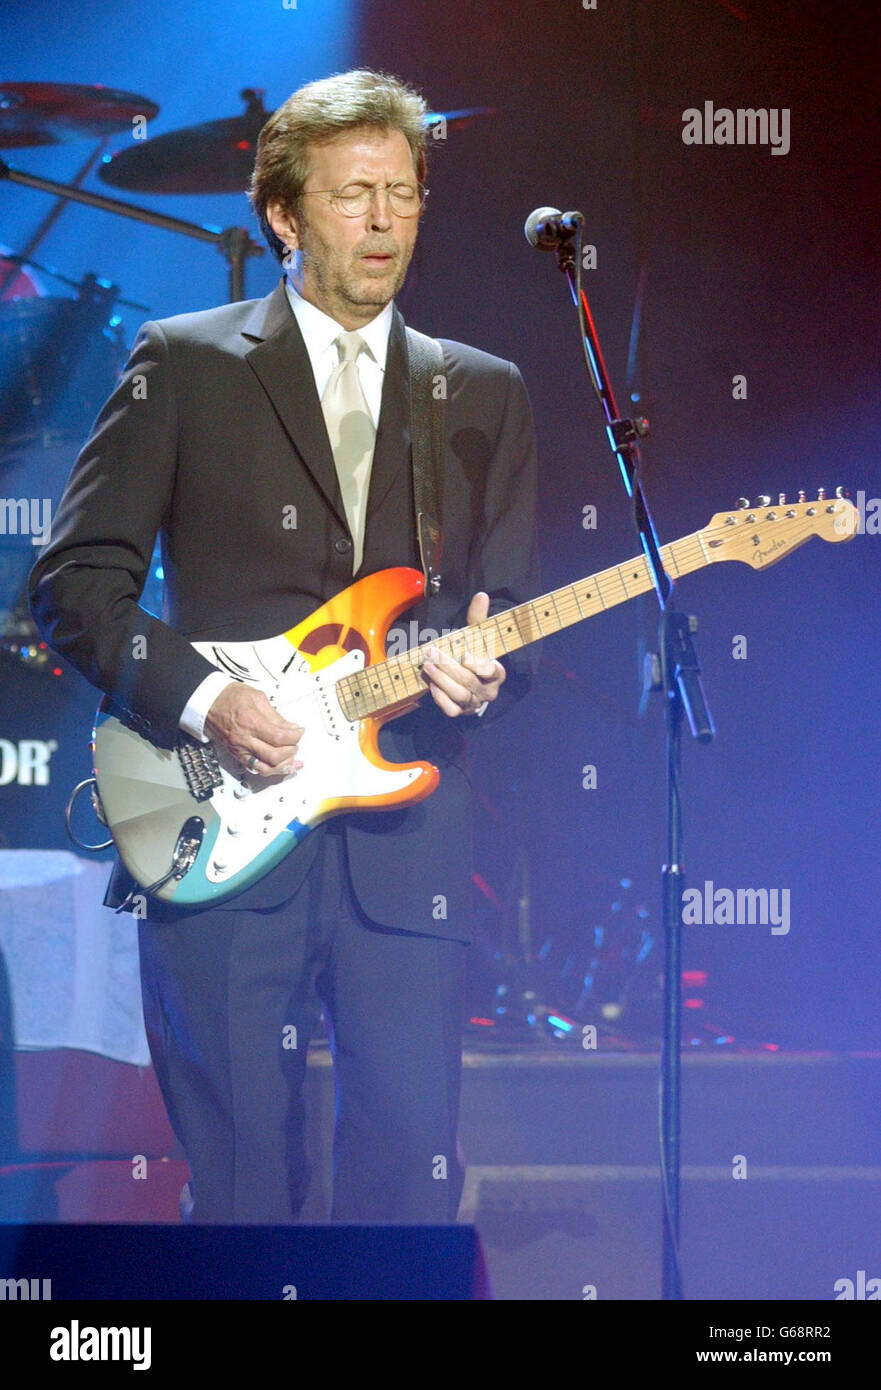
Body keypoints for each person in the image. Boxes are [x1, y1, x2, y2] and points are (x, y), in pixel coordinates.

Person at [28, 68, 540, 1224]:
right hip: (220, 825)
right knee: (244, 1190)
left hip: (402, 856)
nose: (382, 222)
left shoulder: (484, 392)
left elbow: (507, 625)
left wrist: (485, 674)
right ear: (283, 216)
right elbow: (74, 584)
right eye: (353, 195)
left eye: (402, 195)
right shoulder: (186, 360)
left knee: (407, 1192)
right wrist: (207, 701)